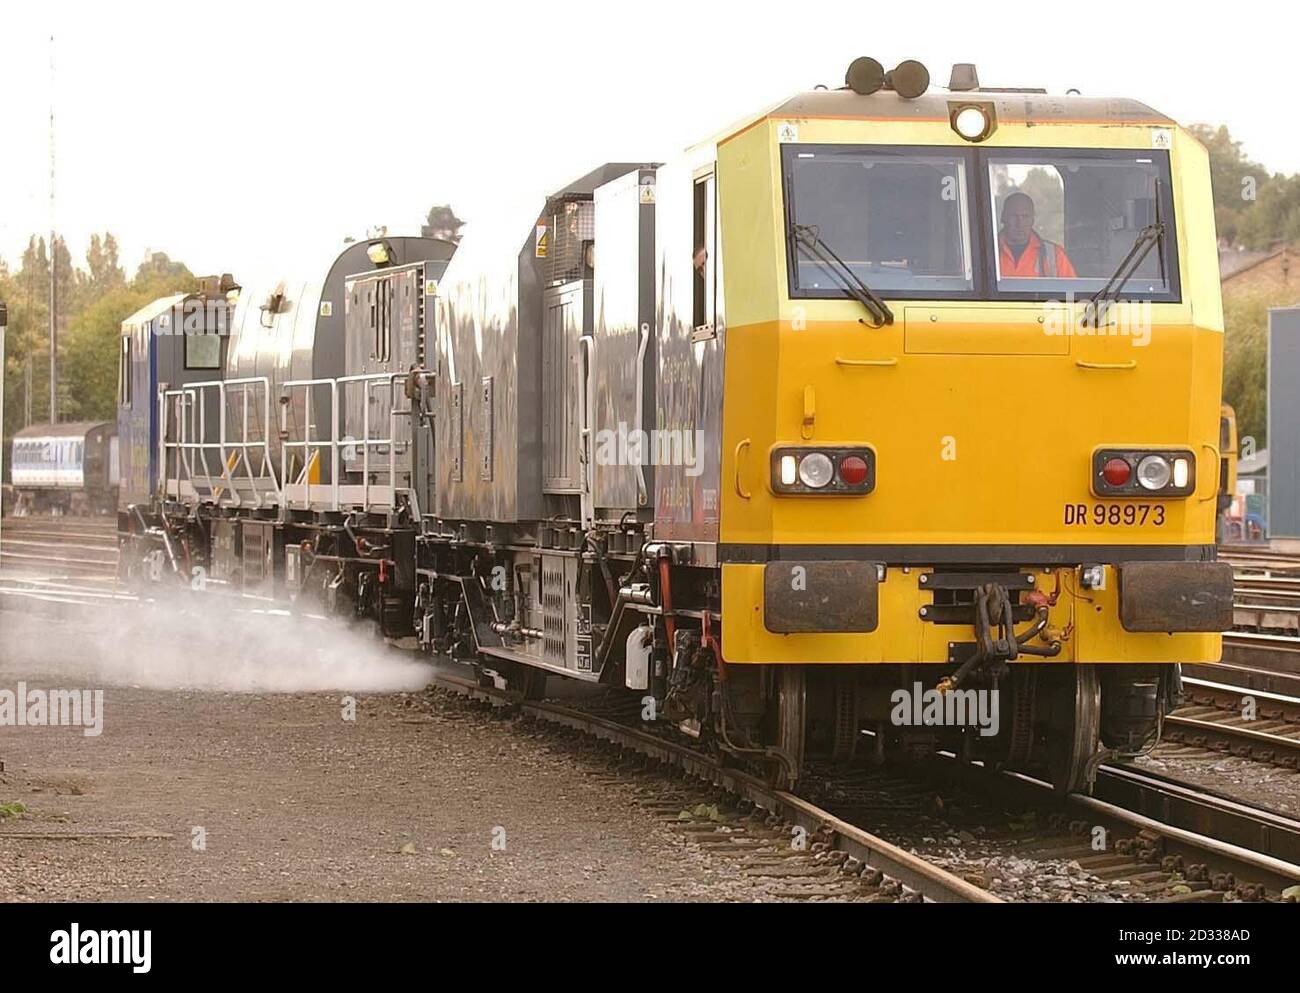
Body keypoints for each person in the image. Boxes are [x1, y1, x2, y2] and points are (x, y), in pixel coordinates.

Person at [998, 191, 1076, 278]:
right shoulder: (988, 252)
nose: (1019, 223)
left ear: (1033, 220)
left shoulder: (1054, 255)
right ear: (1003, 217)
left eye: (1025, 217)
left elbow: (1072, 289)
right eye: (1013, 216)